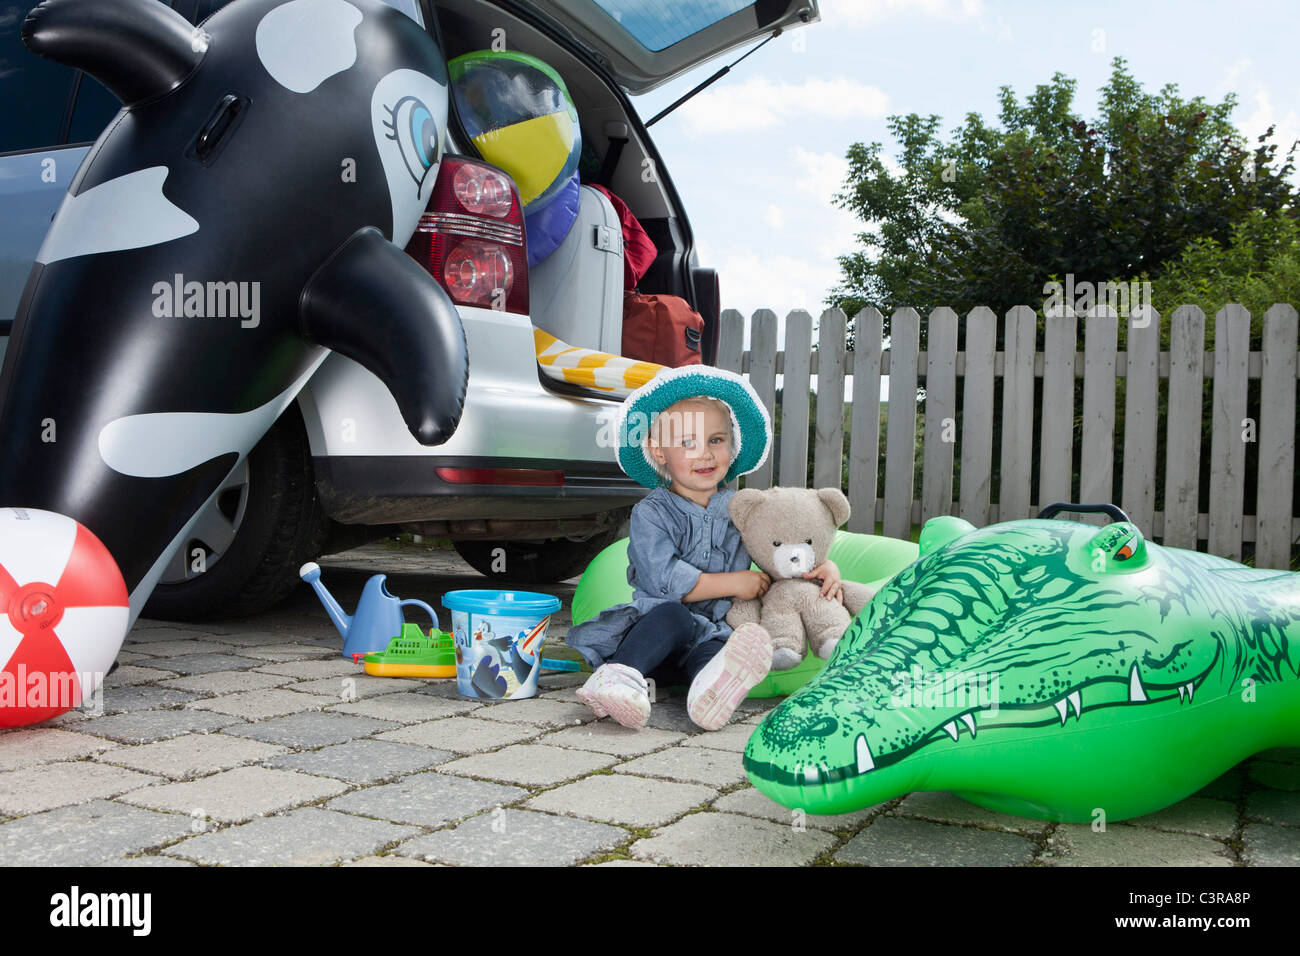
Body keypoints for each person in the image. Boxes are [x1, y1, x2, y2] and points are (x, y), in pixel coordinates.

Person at [566, 366, 844, 731]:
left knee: (720, 649)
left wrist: (821, 570)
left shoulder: (743, 511)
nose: (705, 454)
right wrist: (734, 583)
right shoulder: (652, 512)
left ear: (732, 445)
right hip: (655, 643)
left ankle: (706, 696)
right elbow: (664, 579)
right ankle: (618, 679)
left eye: (716, 440)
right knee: (673, 617)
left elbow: (774, 557)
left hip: (710, 636)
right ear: (658, 451)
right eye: (687, 443)